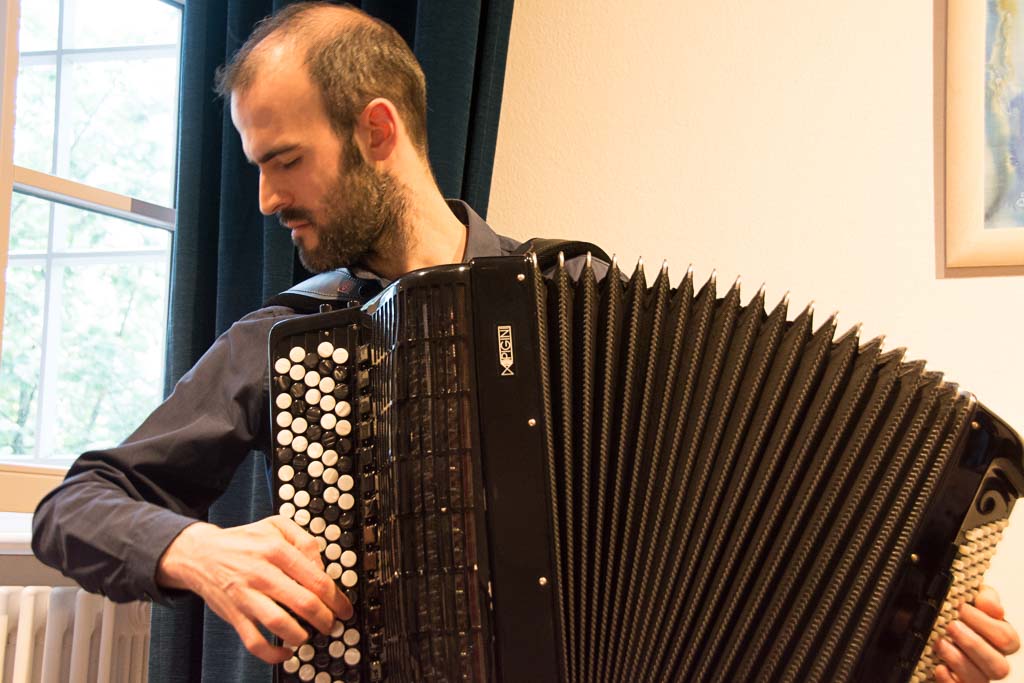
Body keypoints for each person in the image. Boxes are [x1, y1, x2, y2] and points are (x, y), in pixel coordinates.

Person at [31, 3, 1020, 681]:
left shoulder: (576, 298)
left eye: (284, 159)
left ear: (377, 131)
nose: (263, 198)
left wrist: (917, 617)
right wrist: (199, 549)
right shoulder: (284, 338)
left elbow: (743, 532)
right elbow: (75, 505)